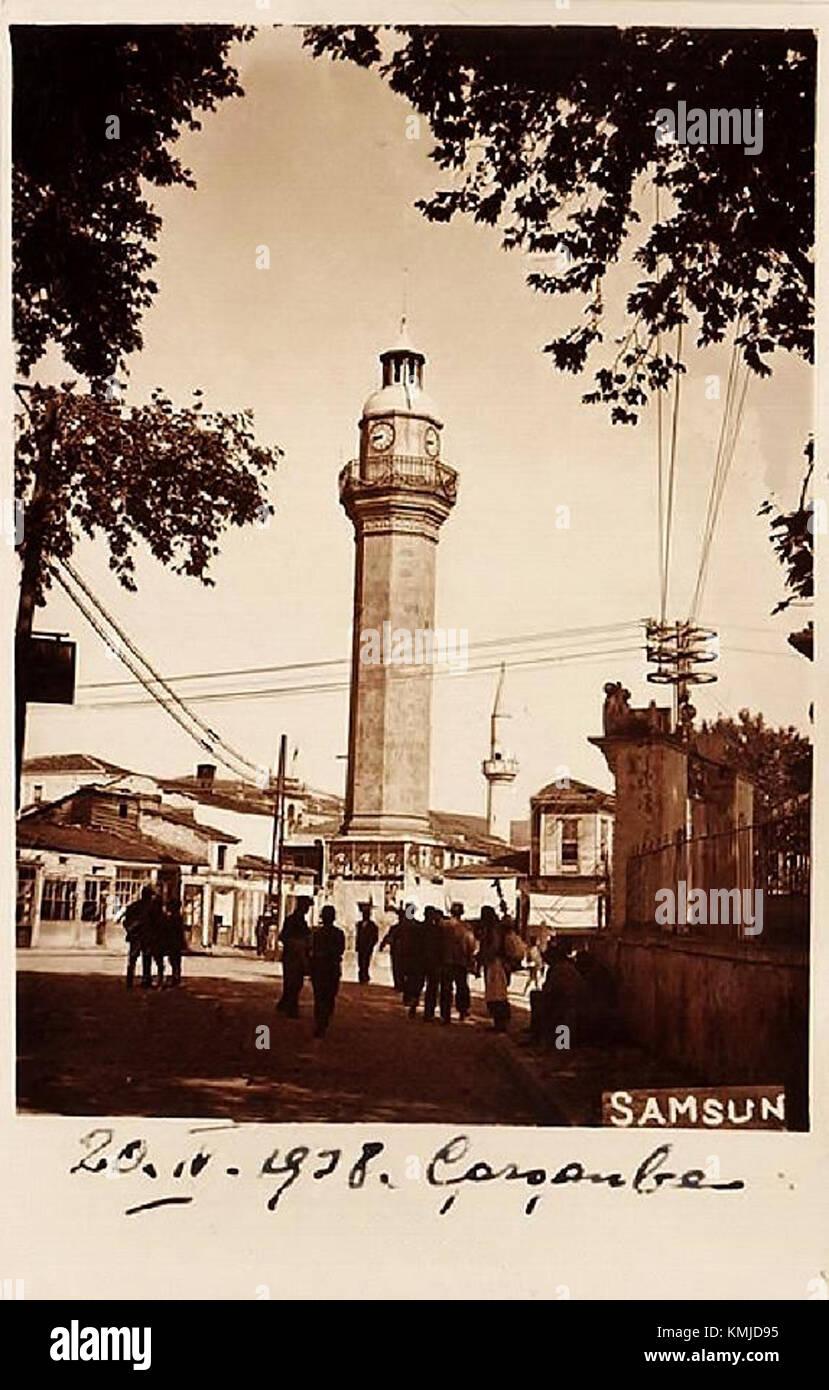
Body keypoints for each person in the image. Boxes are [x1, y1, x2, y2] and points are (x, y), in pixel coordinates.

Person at [529, 941, 590, 1045]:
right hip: (569, 998)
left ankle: (540, 1036)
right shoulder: (565, 967)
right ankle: (539, 1034)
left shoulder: (560, 969)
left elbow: (551, 989)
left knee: (540, 1002)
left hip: (568, 1000)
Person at [477, 905, 523, 1032]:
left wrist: (485, 957)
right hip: (496, 964)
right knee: (496, 994)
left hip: (496, 964)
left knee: (496, 994)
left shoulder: (494, 931)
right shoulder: (494, 929)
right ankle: (499, 1023)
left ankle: (501, 1024)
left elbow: (494, 948)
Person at [309, 905, 346, 1038]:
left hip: (320, 968)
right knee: (328, 998)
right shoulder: (338, 934)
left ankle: (321, 1022)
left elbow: (311, 950)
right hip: (330, 968)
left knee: (320, 998)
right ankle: (323, 1022)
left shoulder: (316, 934)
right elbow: (340, 950)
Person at [439, 904, 475, 1023]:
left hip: (446, 960)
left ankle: (445, 1014)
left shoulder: (443, 925)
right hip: (461, 962)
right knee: (462, 987)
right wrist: (470, 960)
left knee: (446, 988)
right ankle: (463, 1011)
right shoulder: (466, 927)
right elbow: (471, 945)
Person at [276, 896, 312, 1017]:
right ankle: (291, 1008)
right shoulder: (292, 920)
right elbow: (283, 936)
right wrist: (296, 943)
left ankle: (285, 1003)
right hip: (292, 956)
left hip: (297, 956)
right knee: (293, 982)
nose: (307, 909)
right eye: (306, 906)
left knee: (295, 982)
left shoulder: (302, 921)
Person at [398, 905, 426, 1017]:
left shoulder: (406, 926)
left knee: (409, 979)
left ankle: (410, 998)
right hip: (413, 958)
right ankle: (412, 998)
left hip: (410, 957)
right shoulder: (416, 926)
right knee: (413, 980)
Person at [124, 885, 155, 990]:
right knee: (146, 958)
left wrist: (130, 930)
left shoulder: (133, 906)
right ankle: (146, 980)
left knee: (133, 958)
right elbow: (158, 923)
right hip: (146, 936)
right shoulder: (152, 908)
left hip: (136, 936)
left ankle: (130, 980)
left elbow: (126, 921)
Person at [421, 906, 444, 1021]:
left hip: (422, 961)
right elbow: (441, 947)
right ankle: (428, 1013)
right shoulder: (438, 930)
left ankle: (414, 1007)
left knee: (419, 985)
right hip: (433, 962)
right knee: (432, 987)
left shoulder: (419, 928)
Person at [379, 907, 406, 992]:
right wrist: (383, 944)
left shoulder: (407, 928)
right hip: (396, 951)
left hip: (404, 952)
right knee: (396, 968)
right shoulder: (395, 928)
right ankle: (398, 984)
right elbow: (389, 936)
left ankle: (400, 984)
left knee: (401, 969)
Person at [163, 895, 187, 986]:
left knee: (174, 960)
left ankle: (175, 977)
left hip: (172, 941)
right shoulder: (177, 917)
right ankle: (176, 977)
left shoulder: (172, 918)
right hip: (176, 942)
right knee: (176, 961)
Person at [355, 902, 379, 984]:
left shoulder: (373, 926)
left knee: (366, 961)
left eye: (367, 914)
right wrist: (357, 945)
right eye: (364, 913)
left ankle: (365, 975)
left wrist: (371, 945)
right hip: (361, 947)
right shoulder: (359, 924)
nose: (365, 915)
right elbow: (358, 936)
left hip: (368, 947)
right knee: (360, 961)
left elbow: (375, 937)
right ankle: (362, 975)